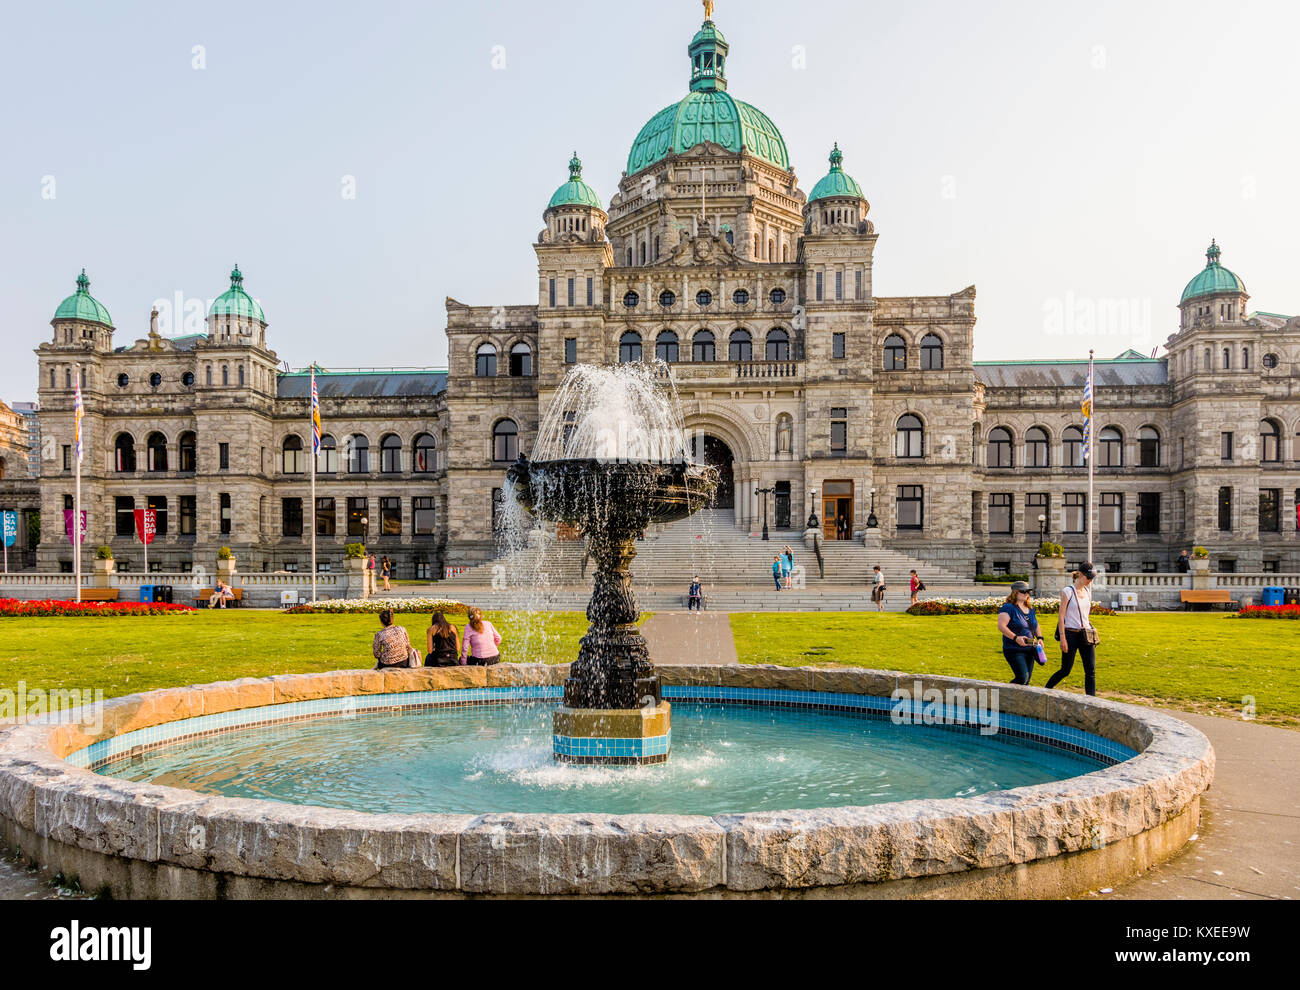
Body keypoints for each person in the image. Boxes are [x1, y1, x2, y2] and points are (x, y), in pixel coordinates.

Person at [1046, 562, 1099, 696]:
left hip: (1085, 634)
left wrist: (1092, 628)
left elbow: (1085, 614)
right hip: (1070, 634)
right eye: (1088, 577)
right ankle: (1046, 690)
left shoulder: (1087, 591)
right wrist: (1063, 639)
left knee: (1090, 671)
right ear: (1080, 575)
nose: (1090, 580)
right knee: (1066, 670)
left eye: (1092, 578)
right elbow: (1061, 617)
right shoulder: (1068, 591)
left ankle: (1092, 700)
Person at [997, 581, 1043, 685]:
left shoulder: (1030, 609)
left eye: (1028, 592)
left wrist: (1040, 638)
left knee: (1027, 680)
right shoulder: (1008, 608)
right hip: (1014, 649)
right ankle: (1004, 693)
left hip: (1030, 648)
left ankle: (1020, 700)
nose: (1027, 594)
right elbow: (1001, 626)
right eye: (1023, 591)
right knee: (1022, 677)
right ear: (1015, 593)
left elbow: (1036, 625)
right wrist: (1015, 638)